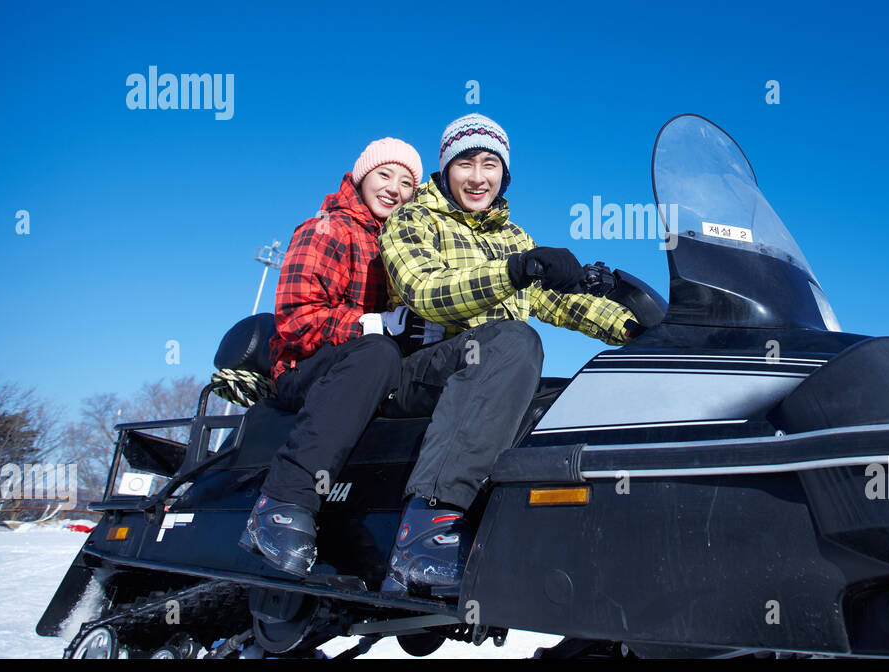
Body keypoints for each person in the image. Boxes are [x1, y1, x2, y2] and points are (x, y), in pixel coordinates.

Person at [376, 113, 640, 598]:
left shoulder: (513, 237)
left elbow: (557, 301)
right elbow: (426, 291)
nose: (478, 177)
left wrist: (641, 330)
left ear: (504, 172)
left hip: (491, 372)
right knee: (515, 340)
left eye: (490, 164)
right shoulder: (413, 218)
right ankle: (427, 525)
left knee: (578, 397)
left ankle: (568, 538)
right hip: (420, 370)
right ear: (446, 169)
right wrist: (515, 271)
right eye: (466, 163)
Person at [239, 138, 426, 577]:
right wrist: (370, 325)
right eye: (385, 175)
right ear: (362, 177)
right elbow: (296, 318)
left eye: (406, 184)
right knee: (379, 354)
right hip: (304, 368)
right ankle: (282, 502)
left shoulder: (398, 249)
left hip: (365, 369)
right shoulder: (327, 229)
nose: (395, 189)